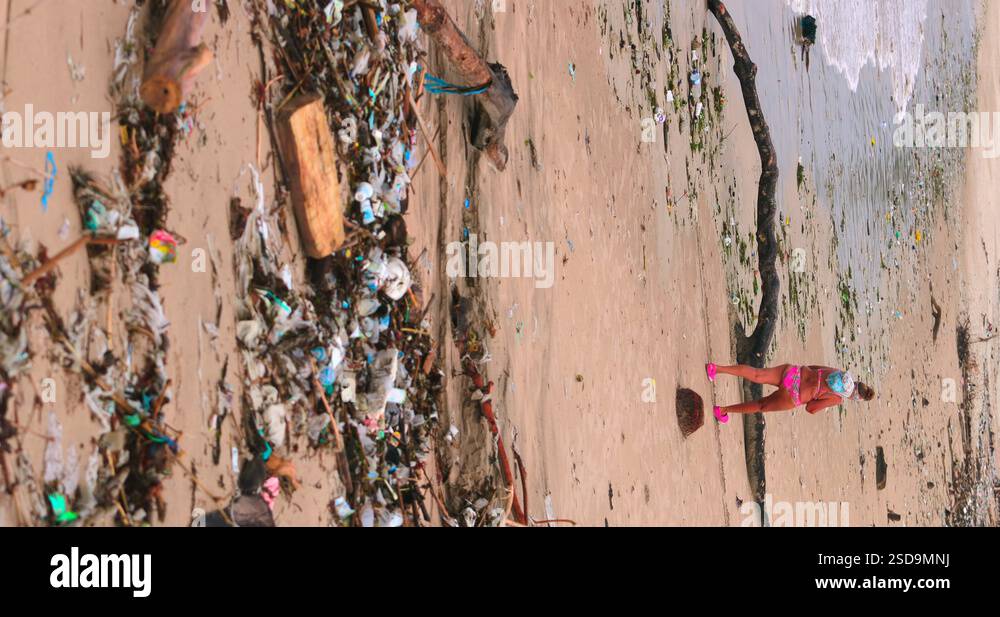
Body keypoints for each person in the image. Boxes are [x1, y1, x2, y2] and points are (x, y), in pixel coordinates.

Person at [705, 362, 875, 423]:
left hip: (794, 373)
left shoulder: (838, 373)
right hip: (794, 395)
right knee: (760, 405)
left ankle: (716, 368)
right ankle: (722, 411)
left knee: (757, 374)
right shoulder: (838, 398)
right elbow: (811, 408)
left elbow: (814, 367)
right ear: (854, 397)